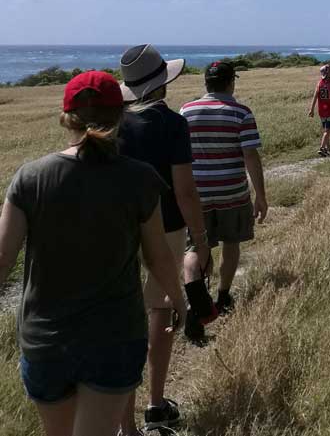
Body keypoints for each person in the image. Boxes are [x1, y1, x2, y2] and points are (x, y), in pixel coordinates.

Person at [0, 72, 186, 436]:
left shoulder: (30, 177)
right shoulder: (140, 178)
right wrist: (178, 298)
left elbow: (3, 259)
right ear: (121, 116)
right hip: (114, 339)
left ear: (66, 118)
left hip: (46, 341)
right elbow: (157, 256)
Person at [116, 44, 212, 434]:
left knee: (124, 323)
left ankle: (125, 424)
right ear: (163, 82)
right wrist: (201, 240)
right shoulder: (172, 124)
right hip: (167, 229)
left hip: (120, 232)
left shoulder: (112, 124)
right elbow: (185, 190)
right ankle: (156, 404)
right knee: (160, 313)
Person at [179, 61, 268, 317]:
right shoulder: (241, 113)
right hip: (233, 193)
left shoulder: (186, 111)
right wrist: (260, 196)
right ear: (231, 82)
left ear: (206, 83)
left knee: (195, 247)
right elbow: (250, 156)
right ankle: (223, 297)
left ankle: (196, 304)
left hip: (196, 195)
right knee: (231, 243)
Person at [307, 64, 330, 157]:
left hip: (322, 110)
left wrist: (311, 109)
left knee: (325, 129)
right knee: (327, 130)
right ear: (328, 73)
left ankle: (328, 146)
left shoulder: (319, 83)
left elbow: (315, 97)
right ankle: (322, 148)